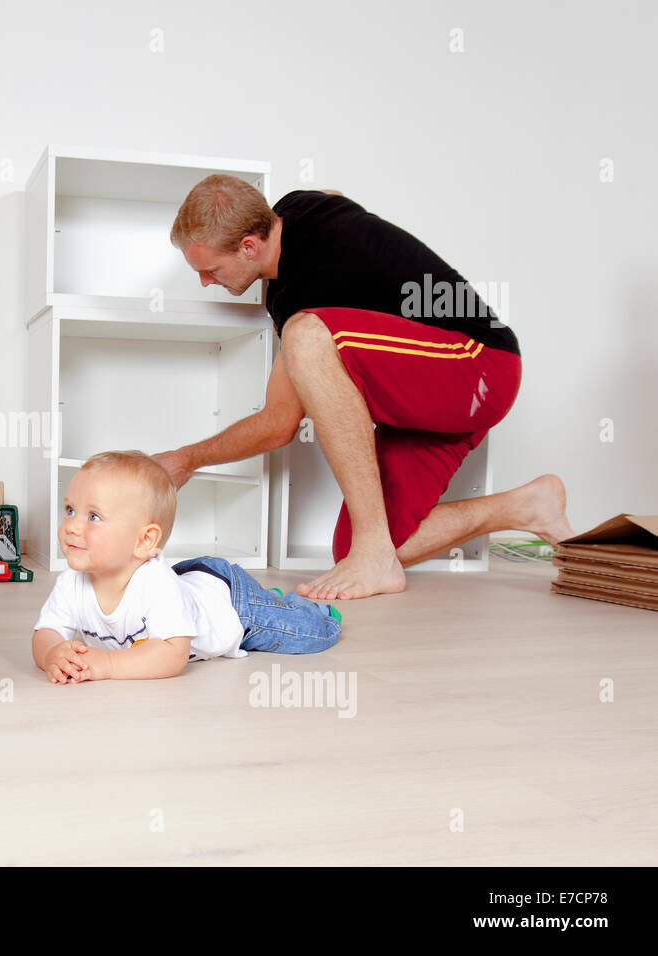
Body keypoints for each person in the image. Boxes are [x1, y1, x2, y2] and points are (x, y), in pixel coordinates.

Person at [152, 176, 573, 601]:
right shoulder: (296, 209)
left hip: (480, 366)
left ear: (248, 246)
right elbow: (332, 195)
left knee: (306, 333)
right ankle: (524, 506)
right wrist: (186, 460)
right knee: (350, 549)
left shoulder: (307, 297)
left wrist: (187, 459)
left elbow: (281, 423)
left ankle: (374, 553)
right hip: (423, 395)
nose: (206, 282)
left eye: (210, 269)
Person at [32, 451, 341, 684]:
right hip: (189, 583)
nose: (71, 526)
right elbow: (46, 631)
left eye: (93, 516)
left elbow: (172, 654)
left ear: (144, 541)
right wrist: (51, 654)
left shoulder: (155, 584)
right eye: (70, 510)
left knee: (304, 634)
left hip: (232, 603)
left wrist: (109, 665)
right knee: (180, 601)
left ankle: (302, 609)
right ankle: (267, 597)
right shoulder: (72, 581)